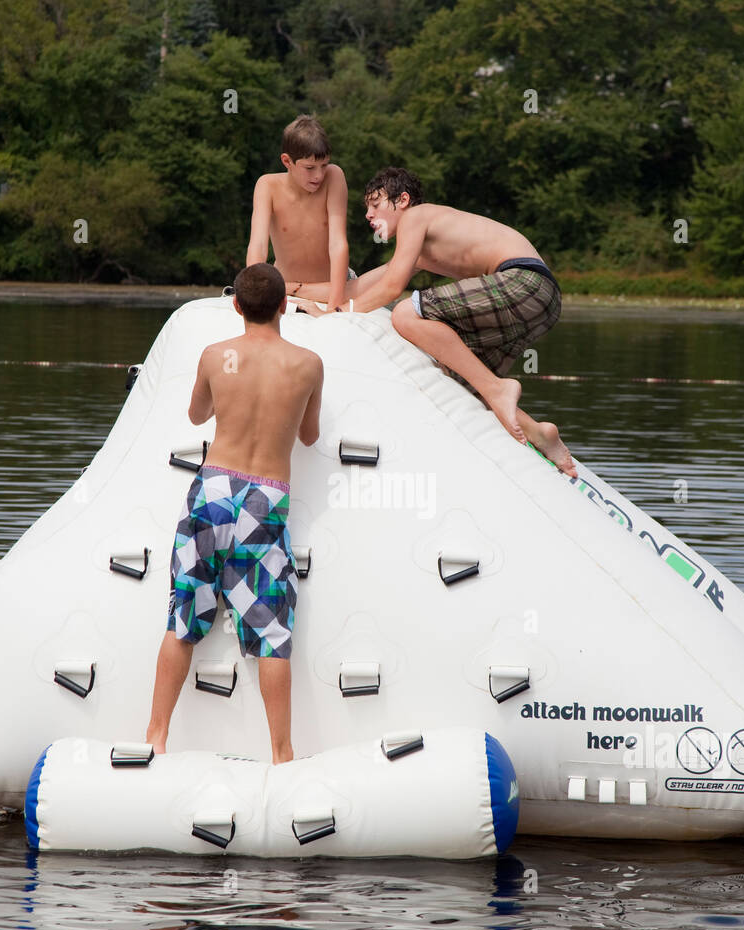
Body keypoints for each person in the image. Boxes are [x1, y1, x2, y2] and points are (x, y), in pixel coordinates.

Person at [145, 263, 323, 764]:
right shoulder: (308, 363)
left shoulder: (214, 355)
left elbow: (197, 414)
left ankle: (156, 737)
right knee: (271, 630)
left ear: (237, 306)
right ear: (285, 304)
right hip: (266, 497)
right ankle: (281, 755)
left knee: (184, 615)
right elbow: (309, 435)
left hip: (213, 488)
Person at [291, 167, 575, 477]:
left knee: (406, 313)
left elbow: (391, 289)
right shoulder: (419, 248)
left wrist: (334, 316)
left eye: (375, 205)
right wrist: (291, 288)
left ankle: (500, 389)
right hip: (539, 304)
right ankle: (539, 433)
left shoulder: (417, 216)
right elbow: (354, 289)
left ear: (402, 200)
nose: (369, 216)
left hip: (524, 282)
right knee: (461, 380)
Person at [246, 115, 351, 313]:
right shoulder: (267, 185)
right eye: (310, 168)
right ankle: (292, 289)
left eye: (324, 165)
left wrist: (333, 309)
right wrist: (255, 297)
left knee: (374, 282)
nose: (319, 175)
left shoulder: (334, 176)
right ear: (287, 161)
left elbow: (338, 244)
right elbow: (258, 246)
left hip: (329, 287)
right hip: (285, 286)